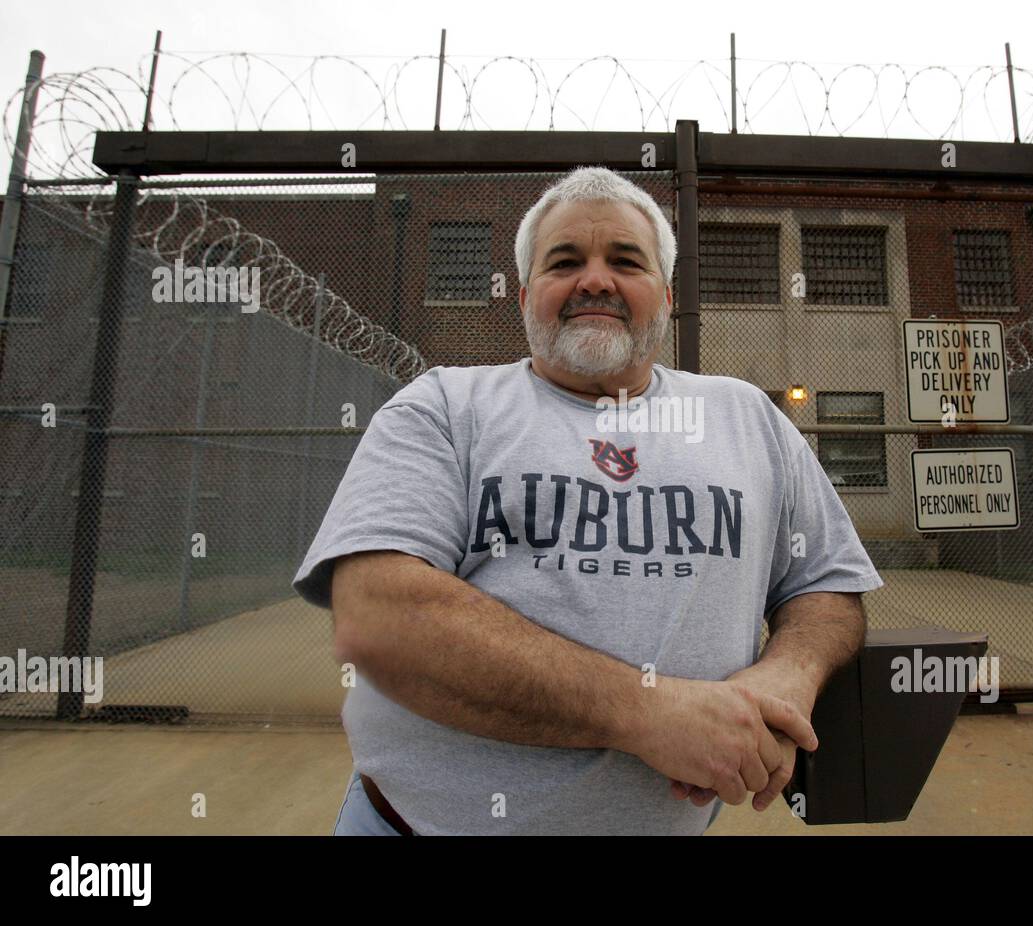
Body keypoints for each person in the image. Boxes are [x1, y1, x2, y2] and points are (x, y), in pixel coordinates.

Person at [292, 165, 884, 835]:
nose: (594, 279)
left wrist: (790, 675)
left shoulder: (747, 418)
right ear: (524, 297)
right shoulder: (444, 408)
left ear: (664, 294)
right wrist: (650, 715)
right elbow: (377, 614)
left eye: (624, 261)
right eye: (564, 261)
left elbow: (827, 585)